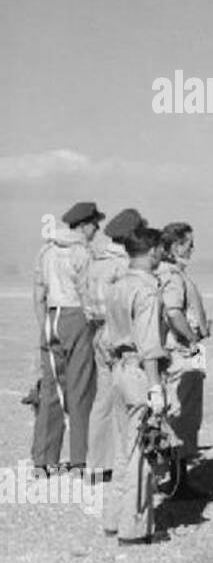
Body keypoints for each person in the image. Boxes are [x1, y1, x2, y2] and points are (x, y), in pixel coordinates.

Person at [101, 227, 168, 546]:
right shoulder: (147, 291)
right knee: (143, 451)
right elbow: (150, 346)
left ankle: (114, 519)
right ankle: (135, 528)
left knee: (122, 451)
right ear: (153, 250)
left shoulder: (116, 286)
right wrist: (156, 389)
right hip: (141, 373)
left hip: (118, 370)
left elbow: (105, 337)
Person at [32, 201, 103, 476]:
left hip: (51, 316)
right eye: (95, 224)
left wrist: (45, 326)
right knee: (80, 388)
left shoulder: (46, 249)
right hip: (76, 317)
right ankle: (78, 460)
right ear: (84, 225)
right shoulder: (82, 252)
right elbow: (88, 295)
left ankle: (43, 460)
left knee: (51, 389)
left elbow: (37, 293)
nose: (97, 229)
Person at [85, 208, 148, 476]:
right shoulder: (122, 264)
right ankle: (126, 459)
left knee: (102, 399)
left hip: (97, 332)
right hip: (118, 335)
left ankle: (98, 463)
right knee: (128, 398)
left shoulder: (95, 260)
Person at [157, 222, 211, 498]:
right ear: (176, 245)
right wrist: (191, 338)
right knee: (182, 415)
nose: (192, 248)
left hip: (180, 351)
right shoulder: (172, 276)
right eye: (189, 243)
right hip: (181, 353)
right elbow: (173, 312)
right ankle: (178, 482)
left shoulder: (169, 273)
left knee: (181, 414)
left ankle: (175, 477)